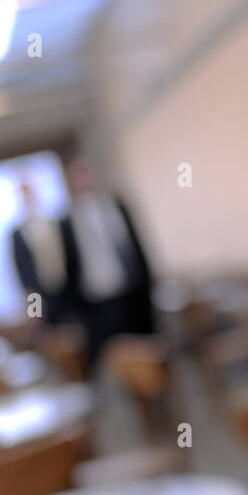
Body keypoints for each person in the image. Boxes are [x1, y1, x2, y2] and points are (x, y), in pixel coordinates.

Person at [60, 155, 154, 366]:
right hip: (99, 299)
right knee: (116, 355)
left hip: (132, 290)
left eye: (86, 174)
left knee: (144, 349)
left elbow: (137, 246)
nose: (84, 180)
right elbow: (71, 265)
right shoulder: (68, 221)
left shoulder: (116, 206)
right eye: (78, 177)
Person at [11, 180, 70, 326]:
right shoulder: (17, 235)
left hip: (66, 293)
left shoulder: (54, 224)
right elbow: (24, 277)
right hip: (41, 297)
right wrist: (34, 310)